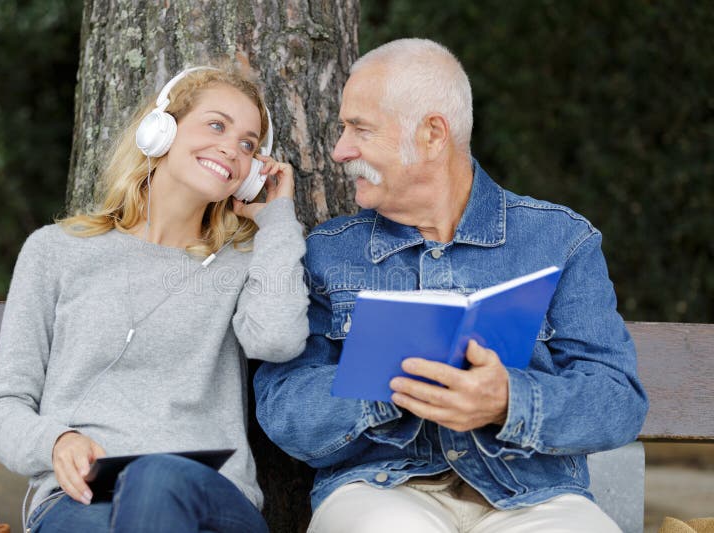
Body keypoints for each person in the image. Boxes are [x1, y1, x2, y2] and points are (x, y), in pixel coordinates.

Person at [254, 38, 648, 533]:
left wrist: (507, 400)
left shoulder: (560, 240)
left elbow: (618, 399)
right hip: (382, 489)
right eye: (342, 127)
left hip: (534, 497)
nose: (339, 150)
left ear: (433, 134)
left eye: (361, 128)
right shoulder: (328, 253)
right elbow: (284, 408)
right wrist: (391, 389)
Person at [0, 63, 309, 533]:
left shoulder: (242, 263)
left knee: (157, 476)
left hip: (208, 502)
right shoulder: (56, 251)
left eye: (248, 145)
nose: (231, 149)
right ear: (161, 130)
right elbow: (4, 407)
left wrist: (276, 220)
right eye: (217, 126)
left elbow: (277, 339)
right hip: (83, 500)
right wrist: (55, 442)